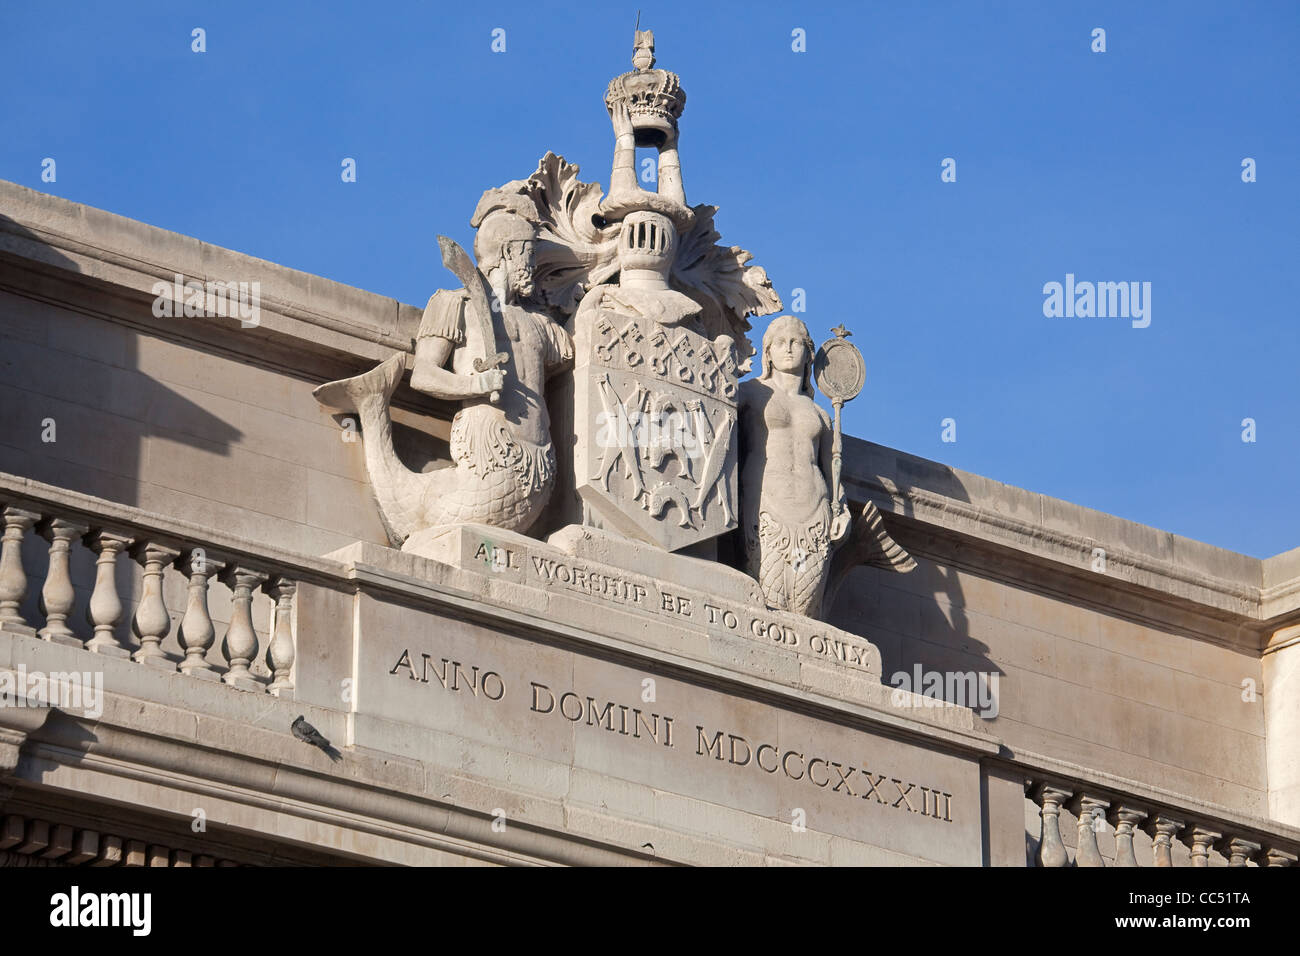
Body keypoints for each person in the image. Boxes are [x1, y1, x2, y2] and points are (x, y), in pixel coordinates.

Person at [312, 209, 572, 544]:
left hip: (539, 466)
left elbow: (573, 352)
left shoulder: (542, 325)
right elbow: (424, 374)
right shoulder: (455, 304)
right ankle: (370, 403)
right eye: (530, 252)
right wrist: (474, 385)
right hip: (488, 456)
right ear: (509, 251)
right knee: (436, 515)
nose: (534, 263)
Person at [738, 315, 850, 616]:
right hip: (767, 505)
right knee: (768, 603)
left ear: (808, 352)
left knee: (803, 606)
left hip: (815, 511)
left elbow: (832, 469)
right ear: (768, 352)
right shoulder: (748, 394)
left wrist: (843, 509)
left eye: (796, 342)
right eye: (780, 342)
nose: (788, 348)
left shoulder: (821, 415)